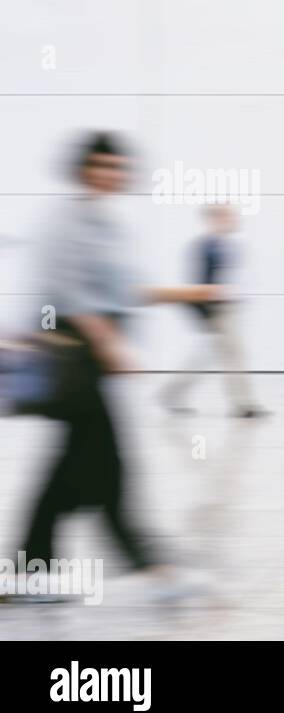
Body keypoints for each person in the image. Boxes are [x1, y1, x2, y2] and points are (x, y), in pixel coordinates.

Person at [9, 131, 222, 600]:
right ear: (83, 167)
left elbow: (127, 289)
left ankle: (27, 568)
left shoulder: (105, 222)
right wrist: (109, 344)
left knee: (75, 465)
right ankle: (147, 563)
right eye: (100, 165)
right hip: (73, 353)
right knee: (108, 462)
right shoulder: (65, 217)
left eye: (116, 166)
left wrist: (193, 294)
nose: (109, 174)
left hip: (88, 362)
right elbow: (66, 290)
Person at [160, 204, 267, 419]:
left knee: (205, 357)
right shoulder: (206, 246)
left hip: (230, 308)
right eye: (228, 216)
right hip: (218, 309)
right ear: (215, 219)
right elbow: (198, 283)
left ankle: (171, 393)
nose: (234, 219)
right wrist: (204, 314)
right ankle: (243, 404)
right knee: (234, 355)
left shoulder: (231, 245)